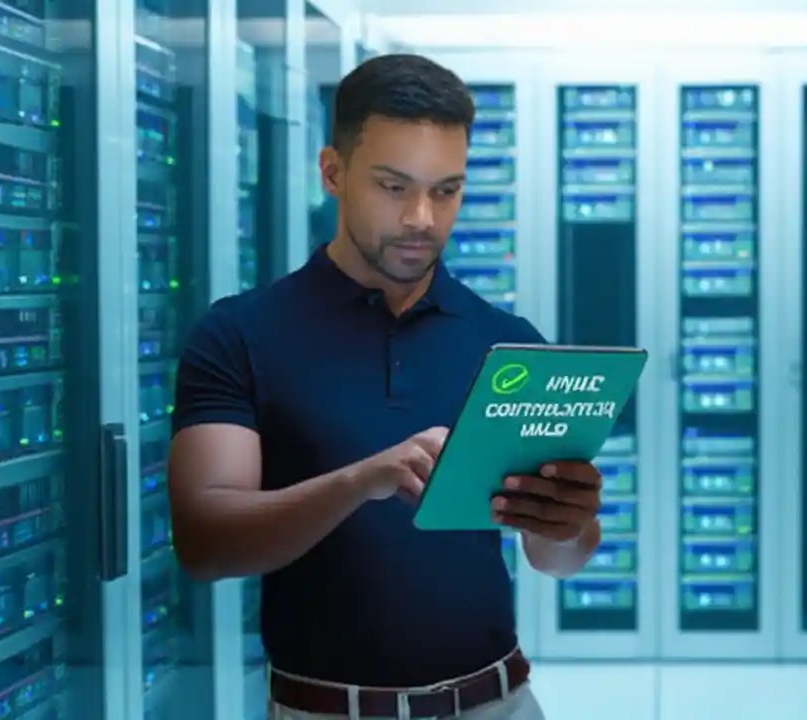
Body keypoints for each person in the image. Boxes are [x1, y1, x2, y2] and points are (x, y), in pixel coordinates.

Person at [167, 54, 606, 720]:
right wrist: (361, 481)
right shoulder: (240, 335)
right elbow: (205, 543)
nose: (423, 218)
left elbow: (558, 560)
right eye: (394, 187)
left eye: (446, 189)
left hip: (498, 703)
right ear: (333, 173)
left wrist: (570, 524)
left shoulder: (507, 344)